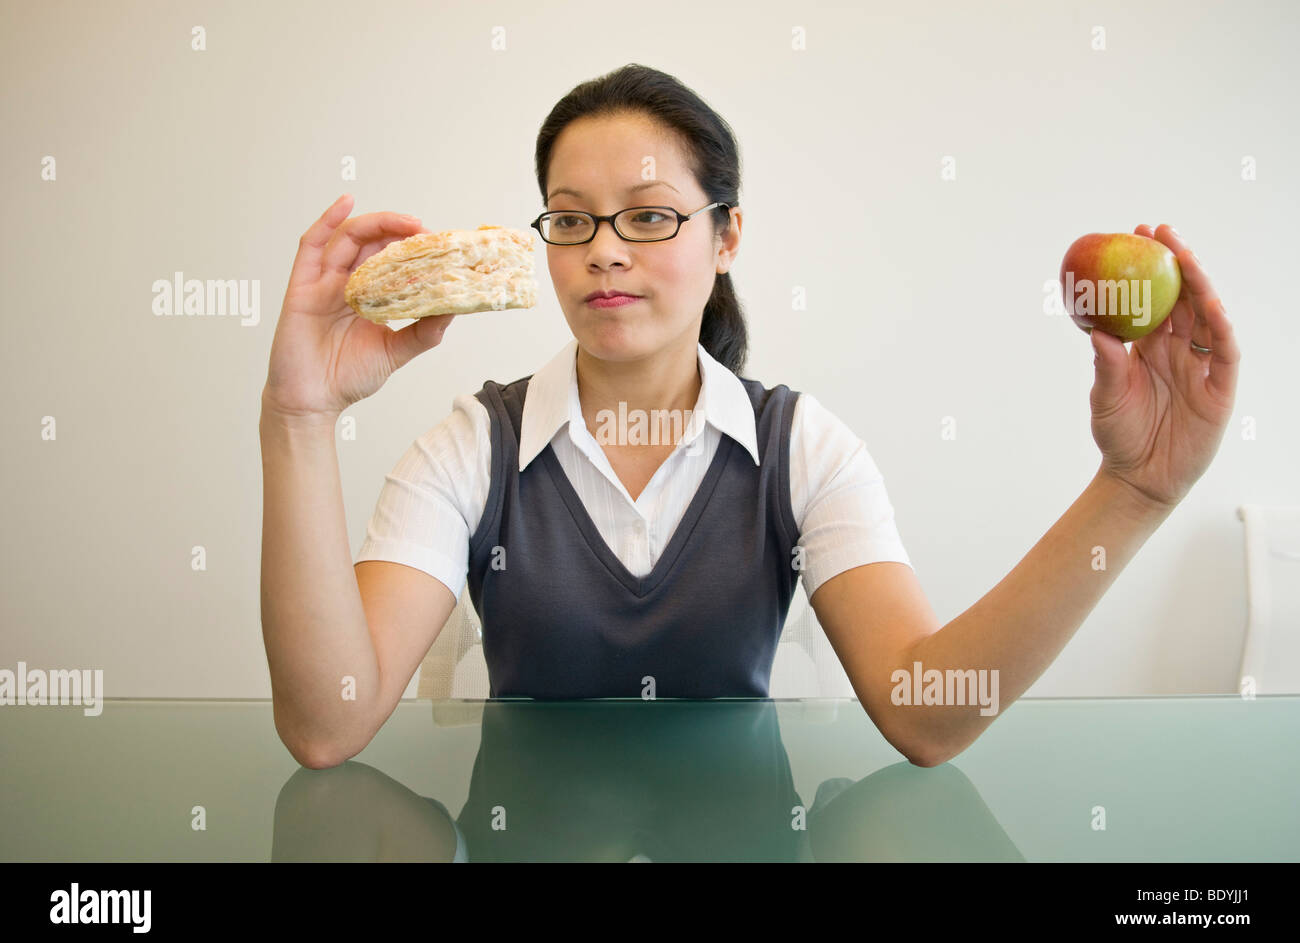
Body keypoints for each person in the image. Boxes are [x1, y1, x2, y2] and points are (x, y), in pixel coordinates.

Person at [259, 64, 1240, 772]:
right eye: (570, 217)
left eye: (648, 215)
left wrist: (1134, 488)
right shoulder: (473, 445)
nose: (604, 251)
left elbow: (925, 713)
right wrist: (300, 413)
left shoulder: (798, 447)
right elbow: (327, 727)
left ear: (727, 235)